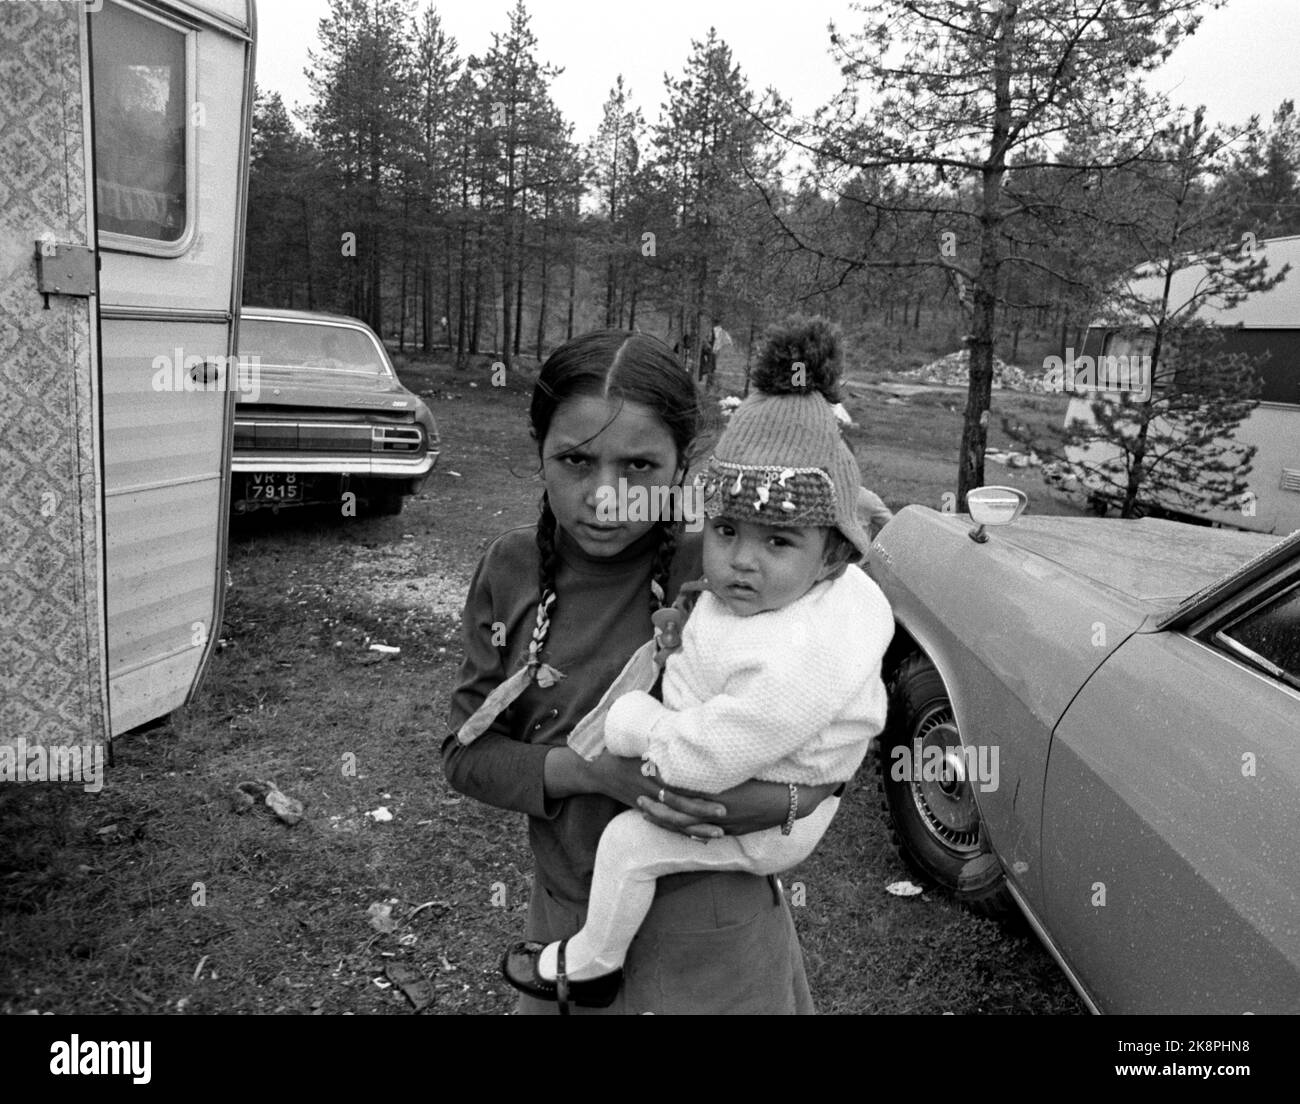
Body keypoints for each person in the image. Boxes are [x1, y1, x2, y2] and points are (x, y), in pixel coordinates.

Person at [498, 318, 894, 1009]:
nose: (606, 495)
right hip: (569, 900)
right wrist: (593, 771)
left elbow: (826, 742)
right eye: (575, 460)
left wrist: (786, 801)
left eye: (640, 467)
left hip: (719, 934)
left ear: (682, 468)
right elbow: (463, 756)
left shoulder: (747, 570)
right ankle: (589, 961)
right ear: (539, 452)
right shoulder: (512, 571)